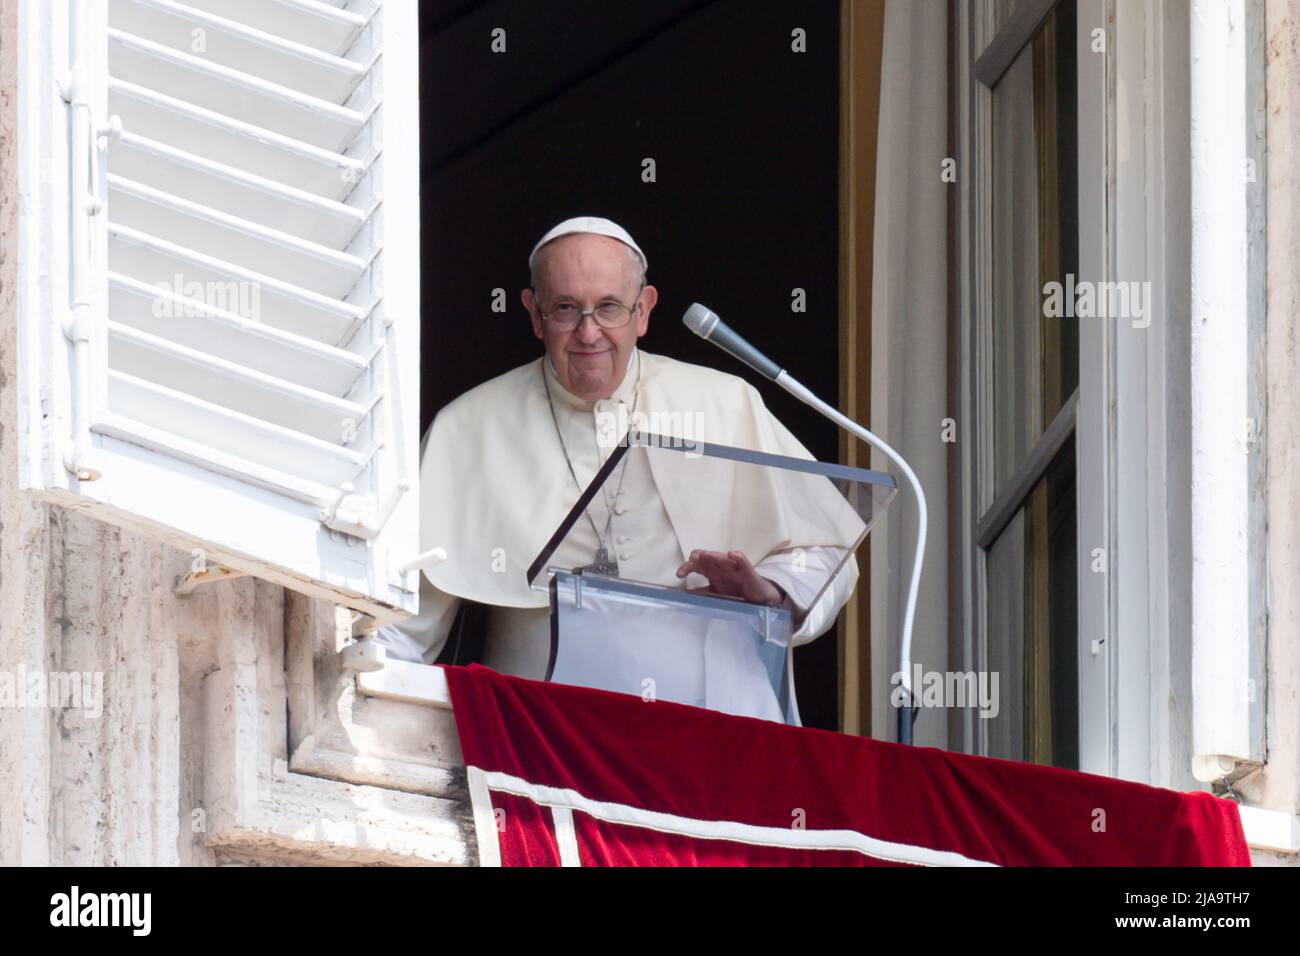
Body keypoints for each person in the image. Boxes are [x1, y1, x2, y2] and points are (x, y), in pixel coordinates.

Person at [375, 216, 859, 723]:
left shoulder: (725, 403)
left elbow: (830, 549)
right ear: (534, 315)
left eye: (609, 307)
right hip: (542, 738)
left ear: (643, 310)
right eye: (565, 309)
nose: (589, 333)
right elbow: (402, 624)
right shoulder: (468, 426)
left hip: (721, 724)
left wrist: (771, 591)